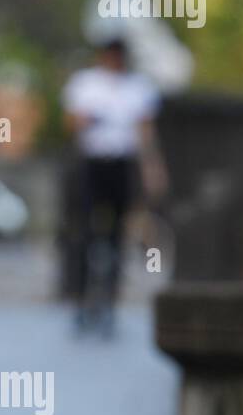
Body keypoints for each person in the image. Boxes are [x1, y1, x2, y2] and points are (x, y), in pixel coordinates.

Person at [61, 38, 166, 334]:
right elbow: (73, 123)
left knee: (118, 237)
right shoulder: (86, 84)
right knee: (84, 234)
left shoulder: (137, 88)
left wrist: (153, 169)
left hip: (122, 165)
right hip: (92, 165)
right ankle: (81, 301)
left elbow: (145, 132)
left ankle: (109, 302)